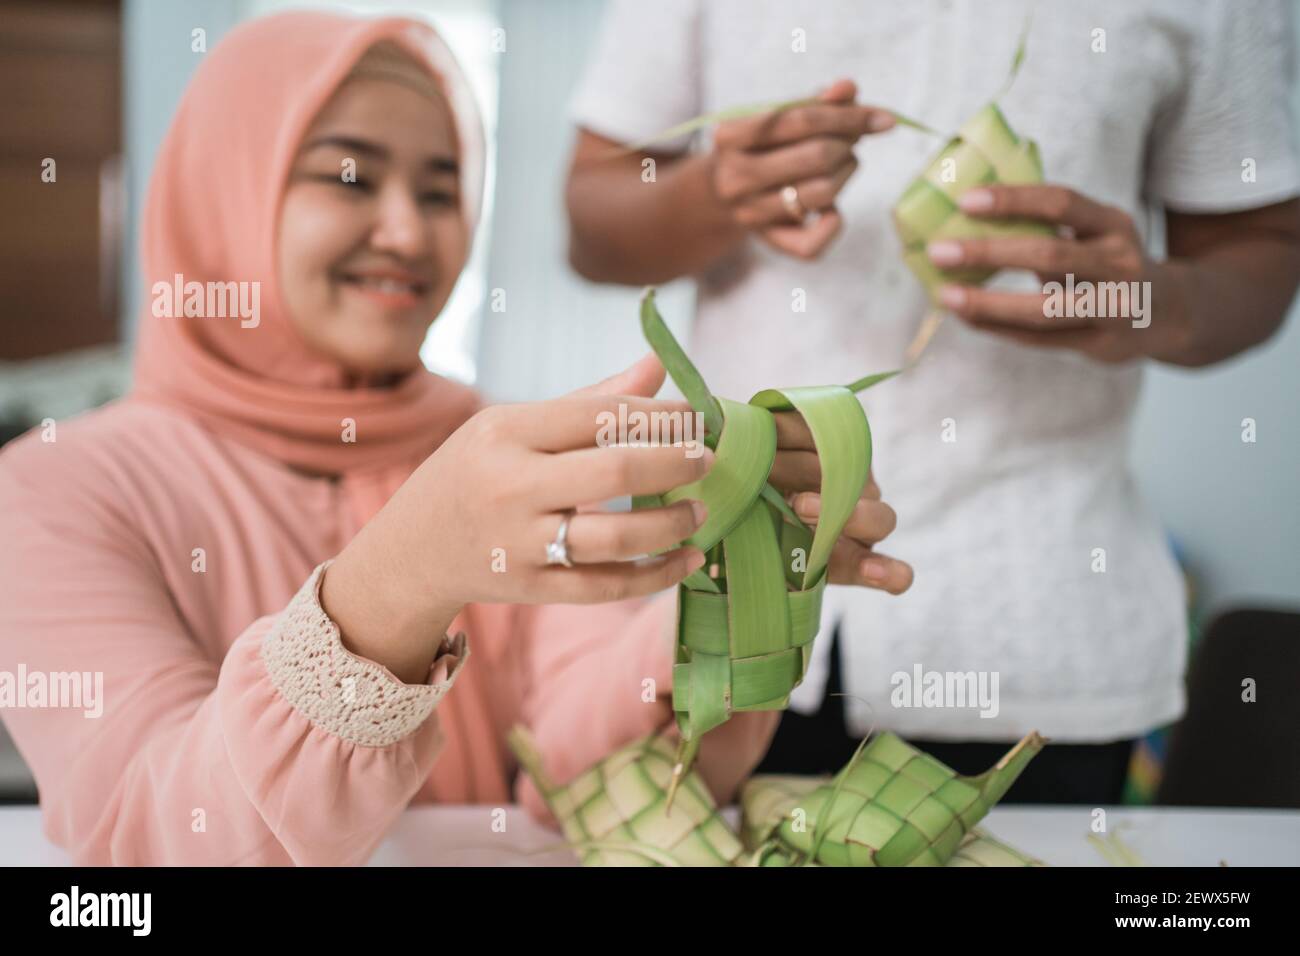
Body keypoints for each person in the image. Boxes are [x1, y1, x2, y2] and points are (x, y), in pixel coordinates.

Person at [0, 11, 909, 865]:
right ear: (223, 192)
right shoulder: (50, 489)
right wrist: (397, 584)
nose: (407, 232)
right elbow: (154, 837)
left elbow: (583, 778)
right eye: (349, 177)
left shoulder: (495, 446)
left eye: (442, 191)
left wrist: (728, 592)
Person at [564, 0, 1300, 801]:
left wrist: (1152, 302)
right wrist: (715, 192)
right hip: (735, 612)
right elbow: (594, 218)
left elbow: (1261, 251)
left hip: (1039, 646)